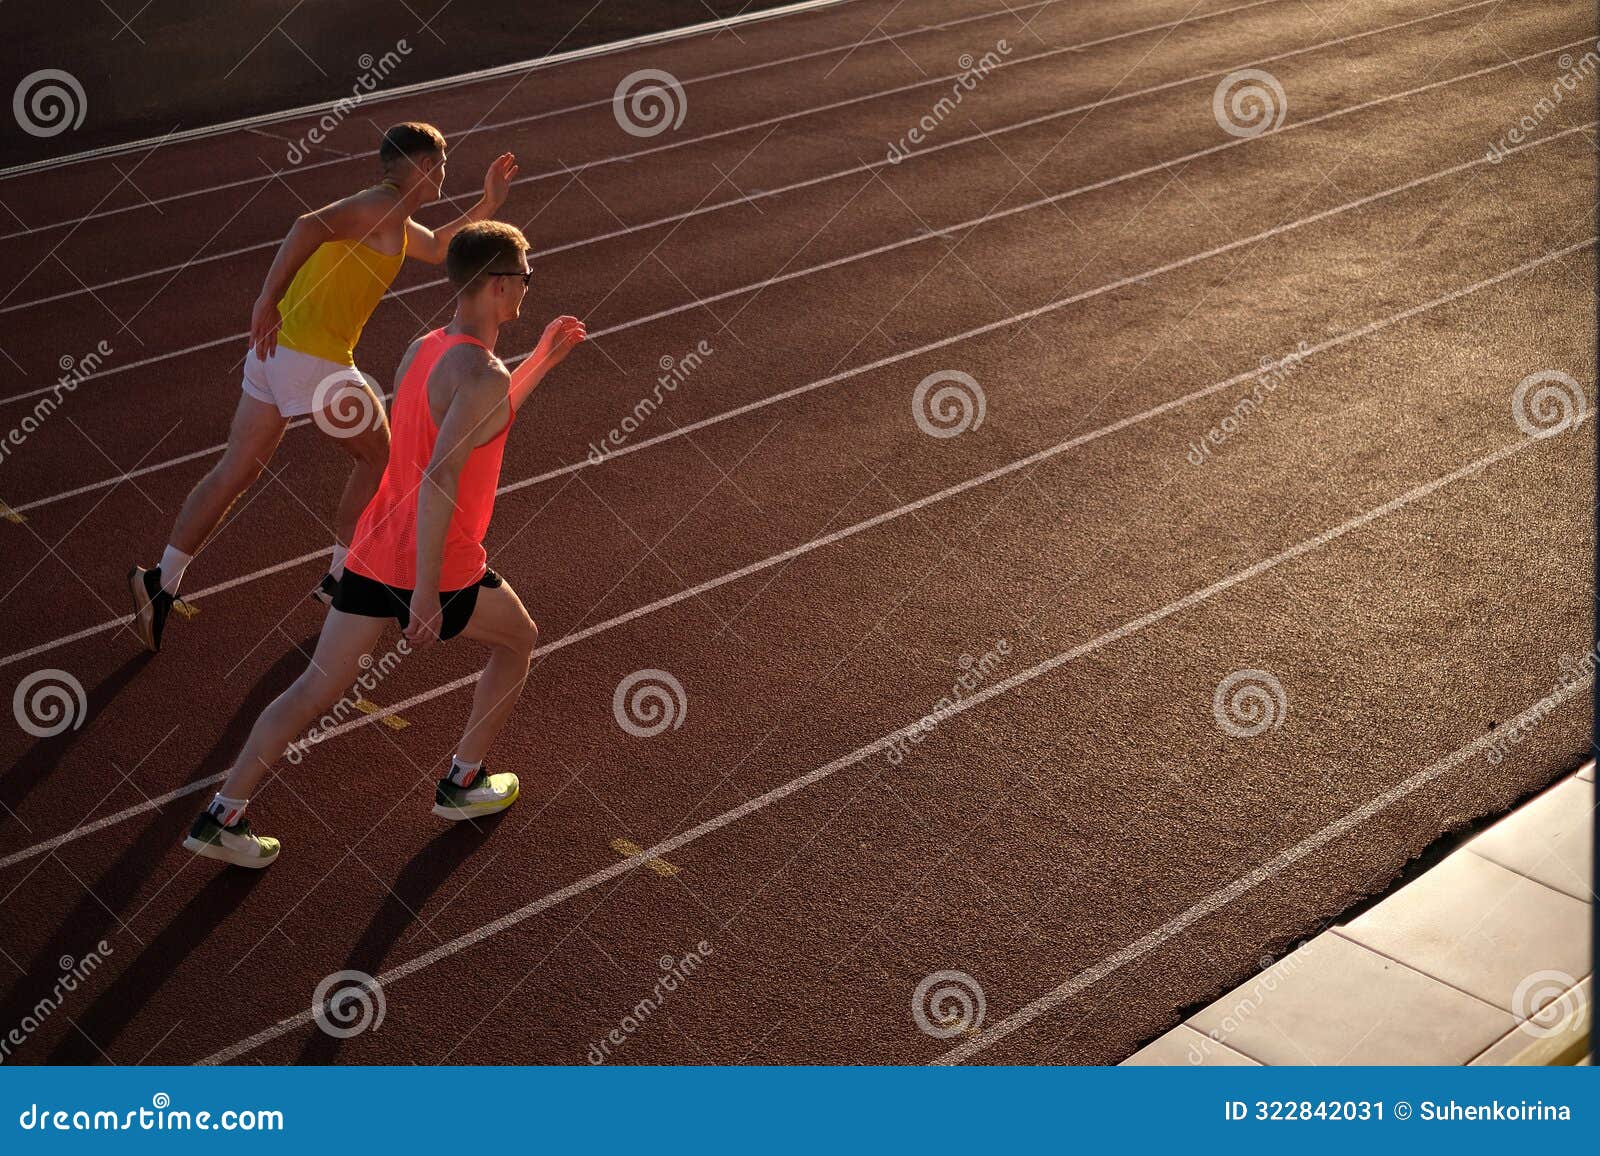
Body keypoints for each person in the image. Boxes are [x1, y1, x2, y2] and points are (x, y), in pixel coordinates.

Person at [183, 221, 585, 867]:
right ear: (497, 284)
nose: (526, 290)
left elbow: (475, 418)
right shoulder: (482, 373)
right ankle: (463, 782)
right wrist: (424, 592)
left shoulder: (424, 349)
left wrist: (540, 359)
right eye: (524, 278)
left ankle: (221, 815)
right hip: (438, 560)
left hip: (375, 546)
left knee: (314, 687)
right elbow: (440, 475)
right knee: (519, 641)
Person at [127, 122, 521, 651]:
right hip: (313, 358)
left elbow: (438, 247)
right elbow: (306, 224)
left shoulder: (391, 216)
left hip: (275, 354)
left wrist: (488, 203)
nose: (445, 174)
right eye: (443, 165)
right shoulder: (380, 206)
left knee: (235, 468)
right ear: (425, 166)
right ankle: (342, 577)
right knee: (380, 457)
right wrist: (266, 298)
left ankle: (160, 581)